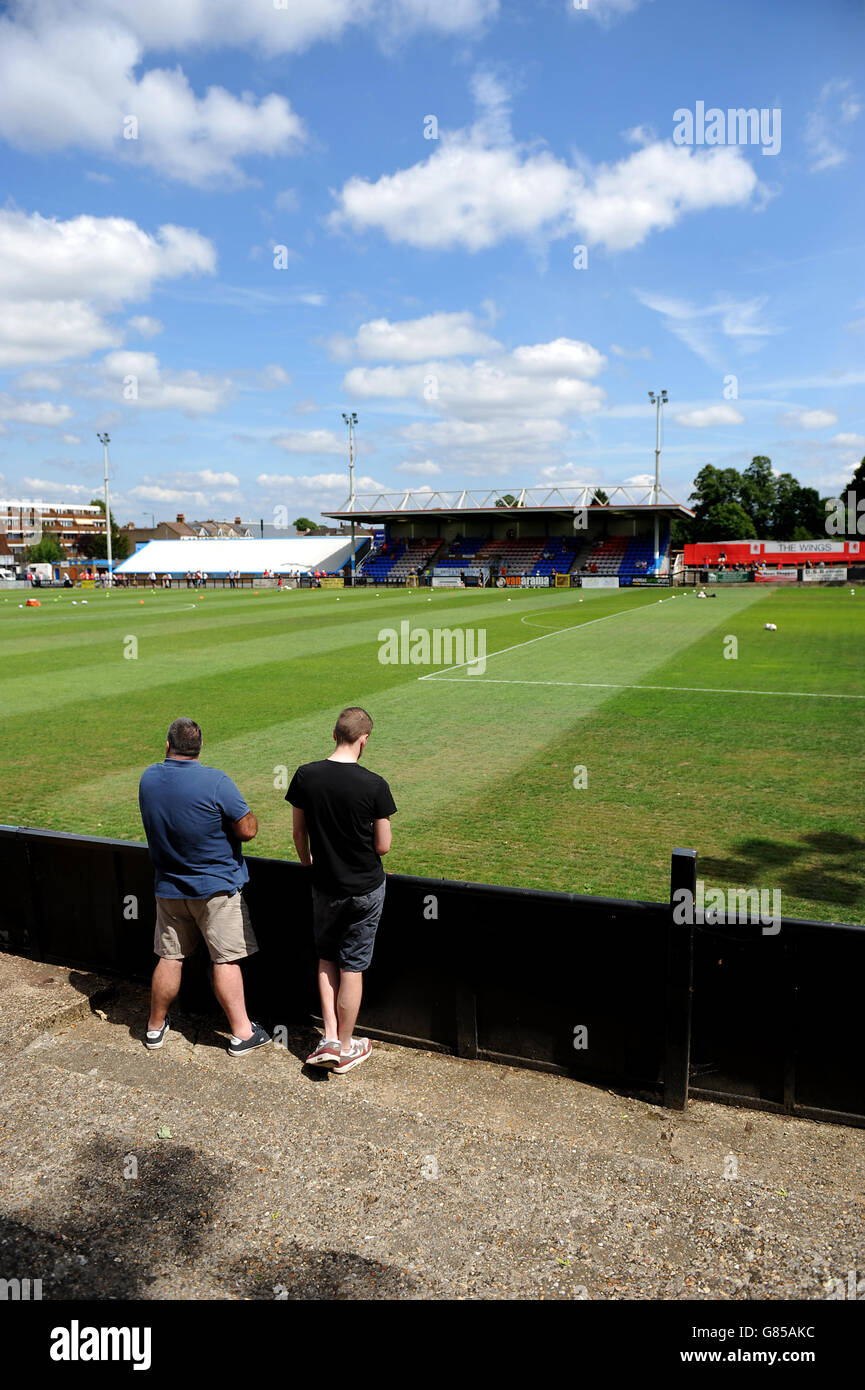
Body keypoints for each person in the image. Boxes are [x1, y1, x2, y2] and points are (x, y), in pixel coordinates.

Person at [138, 717, 270, 1058]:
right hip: (216, 889)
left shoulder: (149, 778)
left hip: (169, 888)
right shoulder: (215, 781)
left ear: (168, 746)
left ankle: (154, 1027)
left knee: (169, 957)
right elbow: (248, 829)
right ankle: (242, 1033)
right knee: (225, 960)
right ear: (199, 749)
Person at [287, 707, 396, 1075]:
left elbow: (299, 833)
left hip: (325, 885)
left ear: (334, 734)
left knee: (326, 958)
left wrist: (307, 863)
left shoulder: (306, 776)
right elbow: (383, 846)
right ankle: (347, 1047)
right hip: (365, 887)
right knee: (353, 966)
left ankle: (330, 1037)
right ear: (363, 740)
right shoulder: (374, 784)